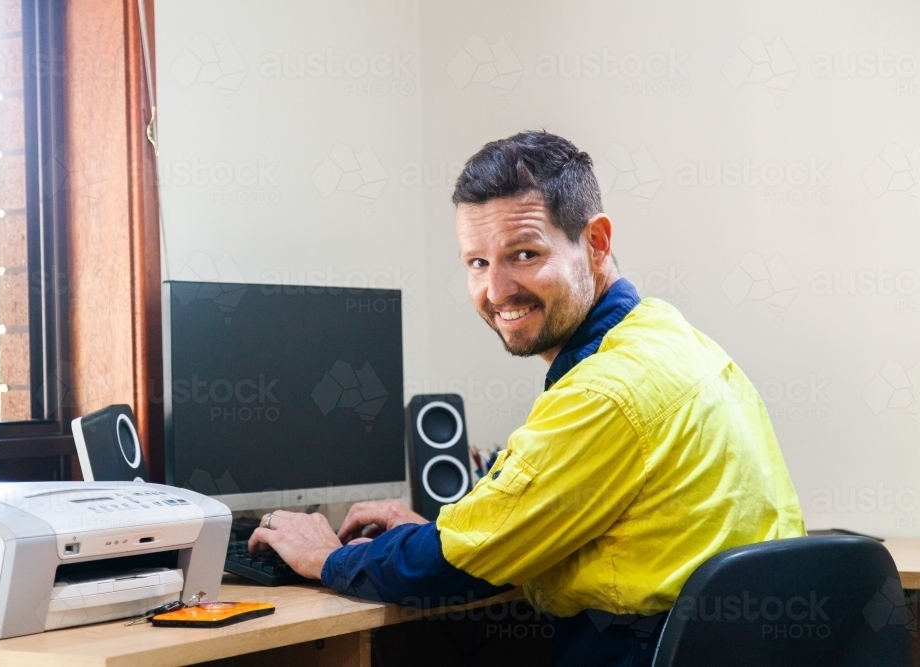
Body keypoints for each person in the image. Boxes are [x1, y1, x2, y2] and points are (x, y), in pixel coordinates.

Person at [248, 131, 805, 666]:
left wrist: (328, 558)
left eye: (524, 254)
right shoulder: (677, 341)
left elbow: (448, 569)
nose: (496, 290)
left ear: (596, 243)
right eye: (478, 263)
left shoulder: (604, 394)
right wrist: (448, 533)